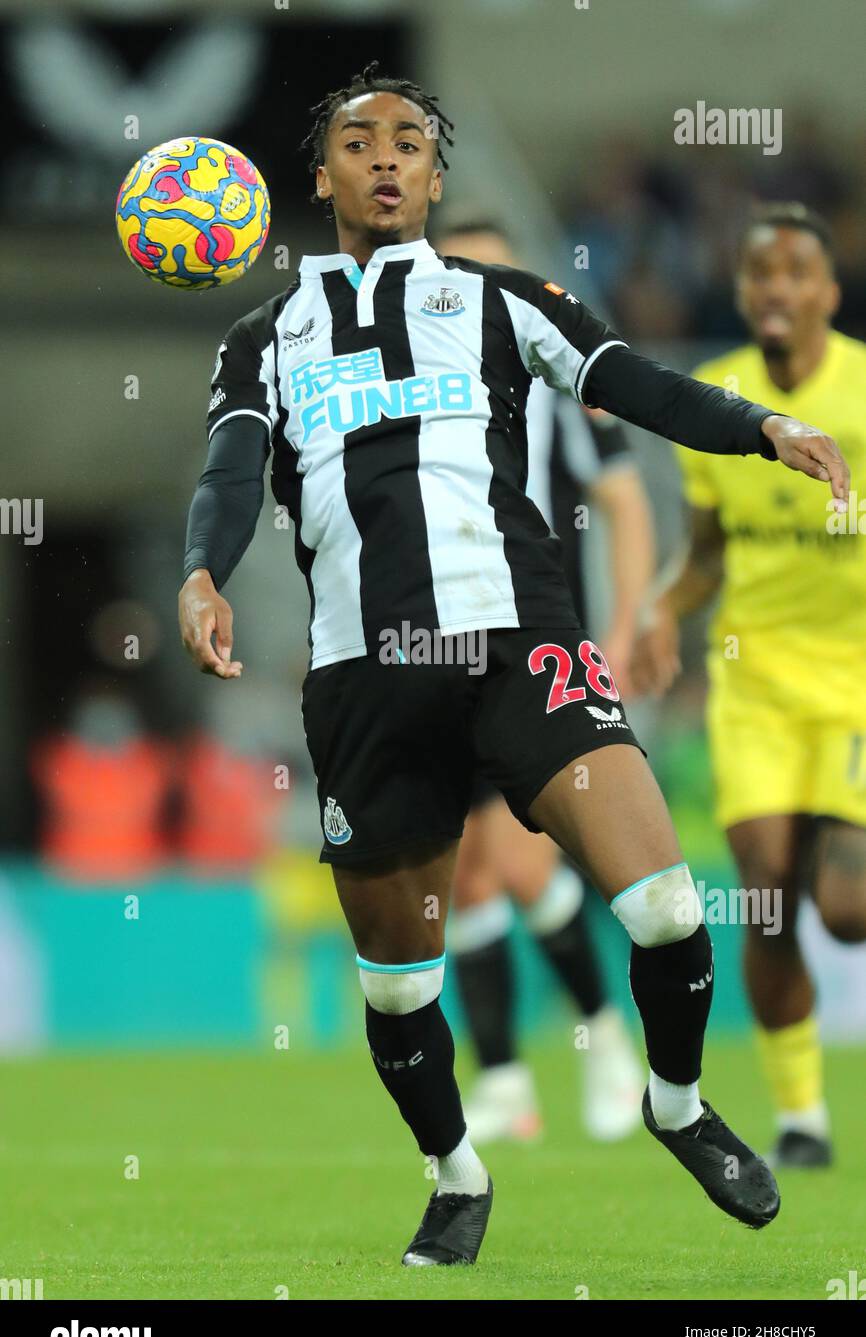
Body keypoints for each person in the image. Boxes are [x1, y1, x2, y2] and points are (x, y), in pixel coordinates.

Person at [179, 64, 849, 1266]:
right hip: (363, 676)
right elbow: (231, 475)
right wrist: (198, 570)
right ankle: (453, 1172)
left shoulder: (503, 300)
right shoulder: (264, 337)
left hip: (517, 645)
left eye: (407, 143)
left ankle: (677, 1103)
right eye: (356, 142)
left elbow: (627, 383)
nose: (383, 158)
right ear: (321, 175)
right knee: (395, 990)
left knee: (662, 906)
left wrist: (757, 427)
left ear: (436, 176)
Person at [633, 203, 866, 1168]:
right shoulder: (718, 403)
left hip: (857, 685)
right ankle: (802, 1115)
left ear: (827, 292)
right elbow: (706, 554)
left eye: (793, 273)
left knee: (849, 911)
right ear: (740, 292)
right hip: (756, 685)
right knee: (768, 897)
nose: (774, 287)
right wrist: (657, 608)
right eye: (757, 273)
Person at [434, 218, 650, 1144]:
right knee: (465, 875)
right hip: (430, 644)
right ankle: (505, 1080)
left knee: (520, 863)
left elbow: (624, 503)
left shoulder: (555, 380)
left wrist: (623, 628)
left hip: (531, 643)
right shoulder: (413, 380)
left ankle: (605, 1037)